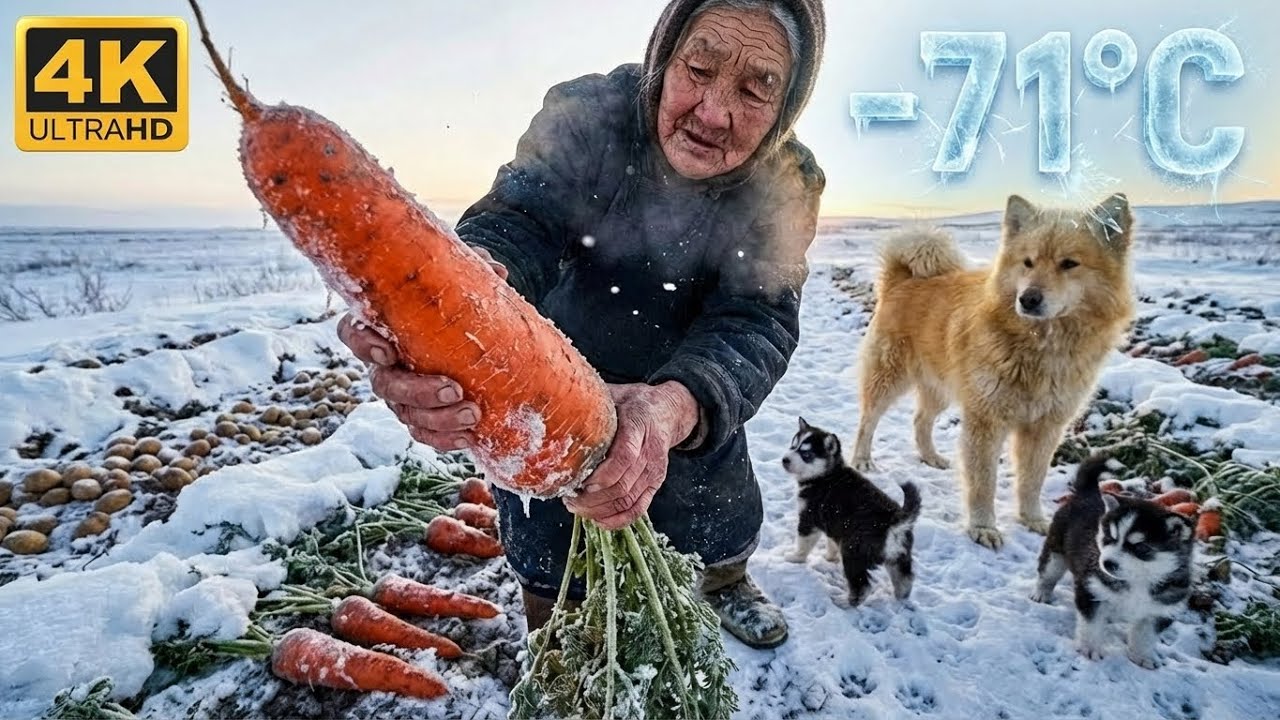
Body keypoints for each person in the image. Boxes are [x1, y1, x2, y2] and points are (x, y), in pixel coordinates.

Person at [338, 0, 825, 649]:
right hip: (557, 378)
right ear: (665, 54)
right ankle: (557, 621)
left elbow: (757, 318)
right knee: (550, 540)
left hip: (685, 382)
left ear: (788, 106)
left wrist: (675, 406)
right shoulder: (586, 115)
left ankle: (724, 579)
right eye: (699, 68)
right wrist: (460, 296)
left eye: (755, 88)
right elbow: (517, 222)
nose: (712, 112)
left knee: (713, 510)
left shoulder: (788, 181)